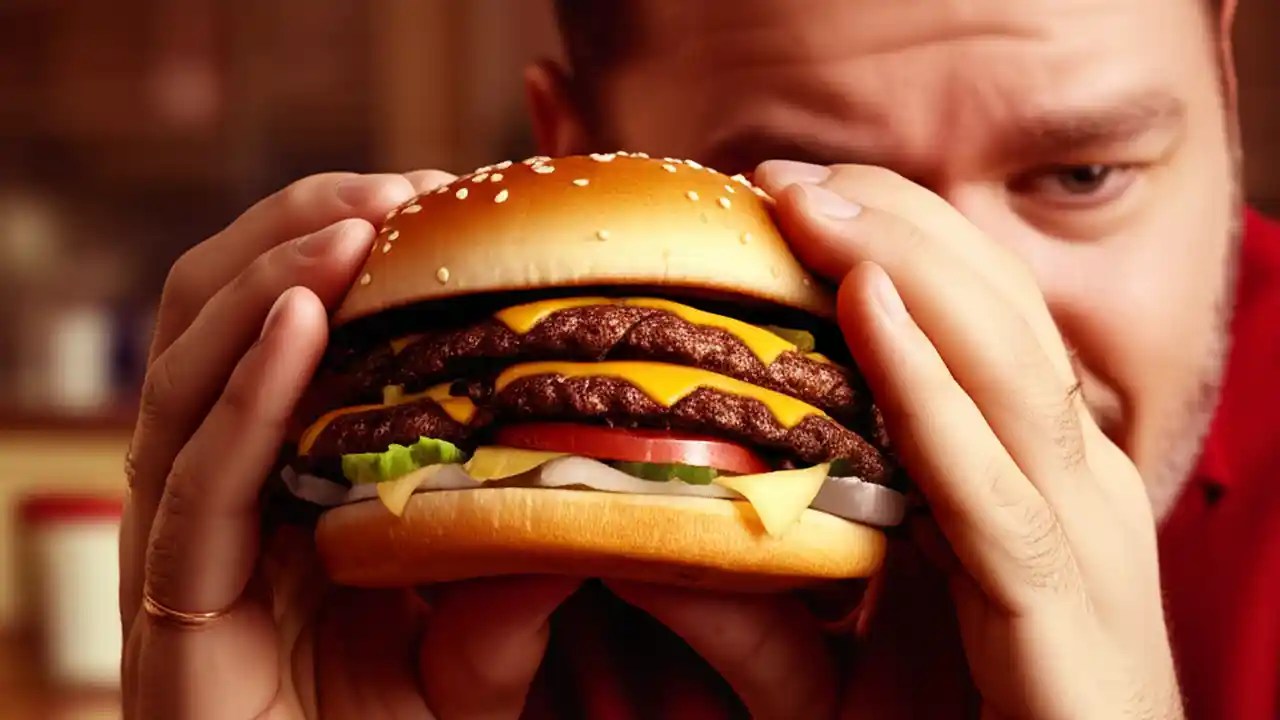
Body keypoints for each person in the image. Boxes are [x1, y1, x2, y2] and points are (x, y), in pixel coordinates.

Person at [118, 0, 1280, 717]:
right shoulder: (390, 632)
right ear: (571, 143)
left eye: (1082, 175)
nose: (976, 315)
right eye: (804, 194)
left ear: (1222, 97)